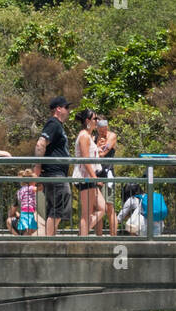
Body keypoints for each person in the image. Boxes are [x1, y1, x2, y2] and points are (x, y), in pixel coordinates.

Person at [34, 97, 72, 237]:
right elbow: (40, 143)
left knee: (55, 208)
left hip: (56, 174)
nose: (68, 111)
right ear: (58, 109)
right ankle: (49, 243)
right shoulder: (53, 123)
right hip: (54, 173)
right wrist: (37, 167)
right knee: (58, 207)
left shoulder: (57, 125)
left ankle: (50, 240)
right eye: (66, 107)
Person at [73, 109, 105, 237]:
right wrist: (95, 178)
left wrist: (98, 149)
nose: (97, 121)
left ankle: (82, 233)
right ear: (87, 121)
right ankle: (82, 240)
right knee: (86, 214)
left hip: (89, 177)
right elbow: (85, 160)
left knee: (102, 208)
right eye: (95, 119)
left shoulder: (88, 136)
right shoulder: (84, 136)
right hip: (85, 178)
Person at [94, 117, 119, 235]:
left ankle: (113, 237)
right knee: (97, 208)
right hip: (96, 174)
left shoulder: (112, 136)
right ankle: (98, 237)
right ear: (97, 128)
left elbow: (104, 152)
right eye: (100, 130)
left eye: (104, 129)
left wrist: (98, 149)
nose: (103, 132)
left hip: (107, 173)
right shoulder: (94, 138)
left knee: (109, 207)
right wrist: (97, 147)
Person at [7, 169, 39, 235]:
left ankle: (23, 238)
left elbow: (20, 199)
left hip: (24, 209)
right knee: (29, 228)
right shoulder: (31, 188)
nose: (36, 183)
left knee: (28, 226)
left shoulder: (20, 191)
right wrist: (42, 186)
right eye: (35, 181)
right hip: (29, 209)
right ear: (30, 182)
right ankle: (25, 240)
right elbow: (38, 189)